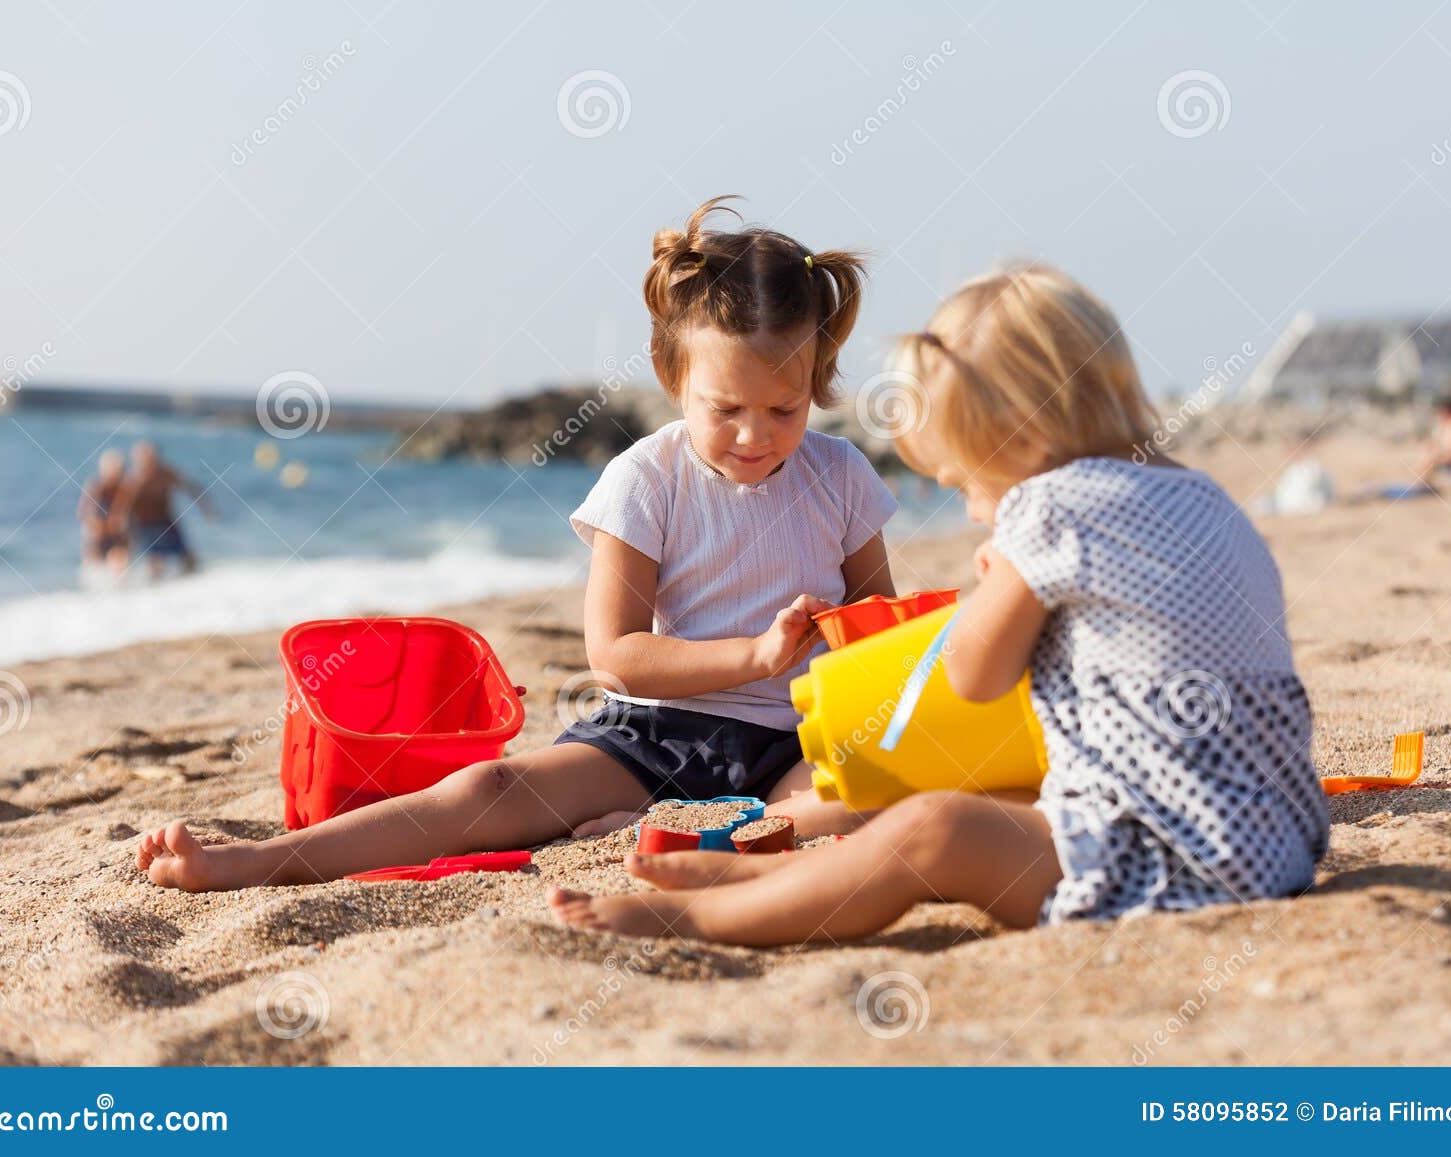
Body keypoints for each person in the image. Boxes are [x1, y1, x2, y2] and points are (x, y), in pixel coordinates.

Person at [549, 263, 1332, 943]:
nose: (972, 508)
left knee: (936, 827)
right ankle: (758, 876)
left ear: (1016, 437)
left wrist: (997, 585)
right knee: (981, 798)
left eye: (966, 479)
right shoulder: (1202, 495)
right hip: (1277, 839)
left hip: (1166, 858)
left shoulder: (1051, 510)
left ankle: (699, 919)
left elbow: (972, 674)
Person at [138, 196, 897, 892]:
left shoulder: (840, 475)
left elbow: (882, 631)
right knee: (491, 789)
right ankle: (258, 860)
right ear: (673, 376)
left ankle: (693, 829)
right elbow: (616, 654)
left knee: (870, 798)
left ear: (817, 380)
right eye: (726, 408)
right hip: (656, 735)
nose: (755, 435)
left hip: (799, 737)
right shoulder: (646, 479)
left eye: (785, 409)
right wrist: (755, 656)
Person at [110, 441, 215, 579]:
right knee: (153, 560)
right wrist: (121, 523)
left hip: (167, 522)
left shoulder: (166, 474)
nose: (149, 462)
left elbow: (190, 488)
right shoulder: (135, 481)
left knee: (188, 558)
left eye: (152, 457)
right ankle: (139, 581)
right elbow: (122, 506)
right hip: (145, 526)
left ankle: (189, 582)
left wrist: (206, 507)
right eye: (144, 459)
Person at [76, 449, 130, 574]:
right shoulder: (95, 486)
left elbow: (124, 513)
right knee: (93, 567)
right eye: (114, 470)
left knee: (120, 563)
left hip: (117, 535)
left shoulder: (125, 487)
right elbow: (82, 512)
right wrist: (95, 526)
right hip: (98, 534)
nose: (117, 474)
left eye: (119, 470)